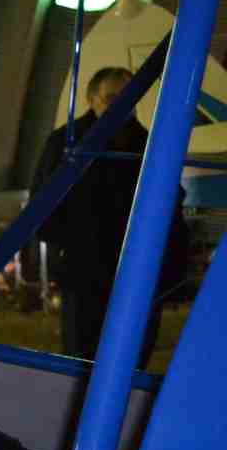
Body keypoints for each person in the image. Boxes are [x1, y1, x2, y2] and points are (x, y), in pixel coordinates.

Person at [30, 65, 187, 364]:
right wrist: (76, 242)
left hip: (138, 269)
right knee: (84, 355)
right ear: (92, 99)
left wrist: (171, 267)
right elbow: (44, 204)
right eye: (112, 98)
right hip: (86, 270)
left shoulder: (150, 145)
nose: (122, 105)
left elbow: (171, 206)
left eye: (128, 96)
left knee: (135, 354)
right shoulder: (66, 144)